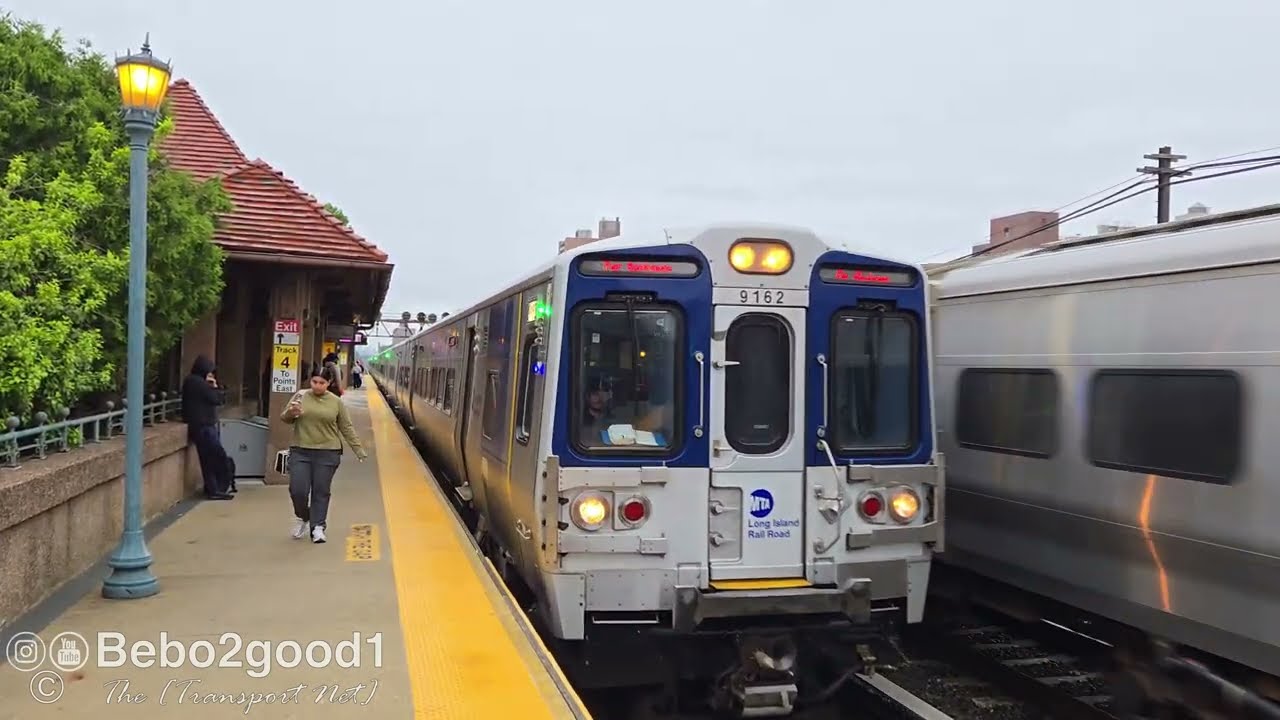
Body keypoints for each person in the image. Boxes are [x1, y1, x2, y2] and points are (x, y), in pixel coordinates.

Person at [281, 365, 367, 543]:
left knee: (321, 491)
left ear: (329, 383)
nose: (317, 386)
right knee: (298, 490)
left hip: (328, 452)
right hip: (301, 450)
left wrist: (358, 450)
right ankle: (302, 517)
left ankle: (318, 526)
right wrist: (291, 413)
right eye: (314, 382)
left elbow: (346, 427)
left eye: (322, 383)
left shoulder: (336, 402)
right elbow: (285, 418)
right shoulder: (300, 396)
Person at [182, 355, 234, 500]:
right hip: (203, 427)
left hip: (202, 425)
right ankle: (215, 489)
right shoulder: (197, 383)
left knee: (209, 458)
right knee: (214, 457)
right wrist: (214, 386)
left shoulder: (193, 381)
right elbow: (218, 399)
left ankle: (213, 488)